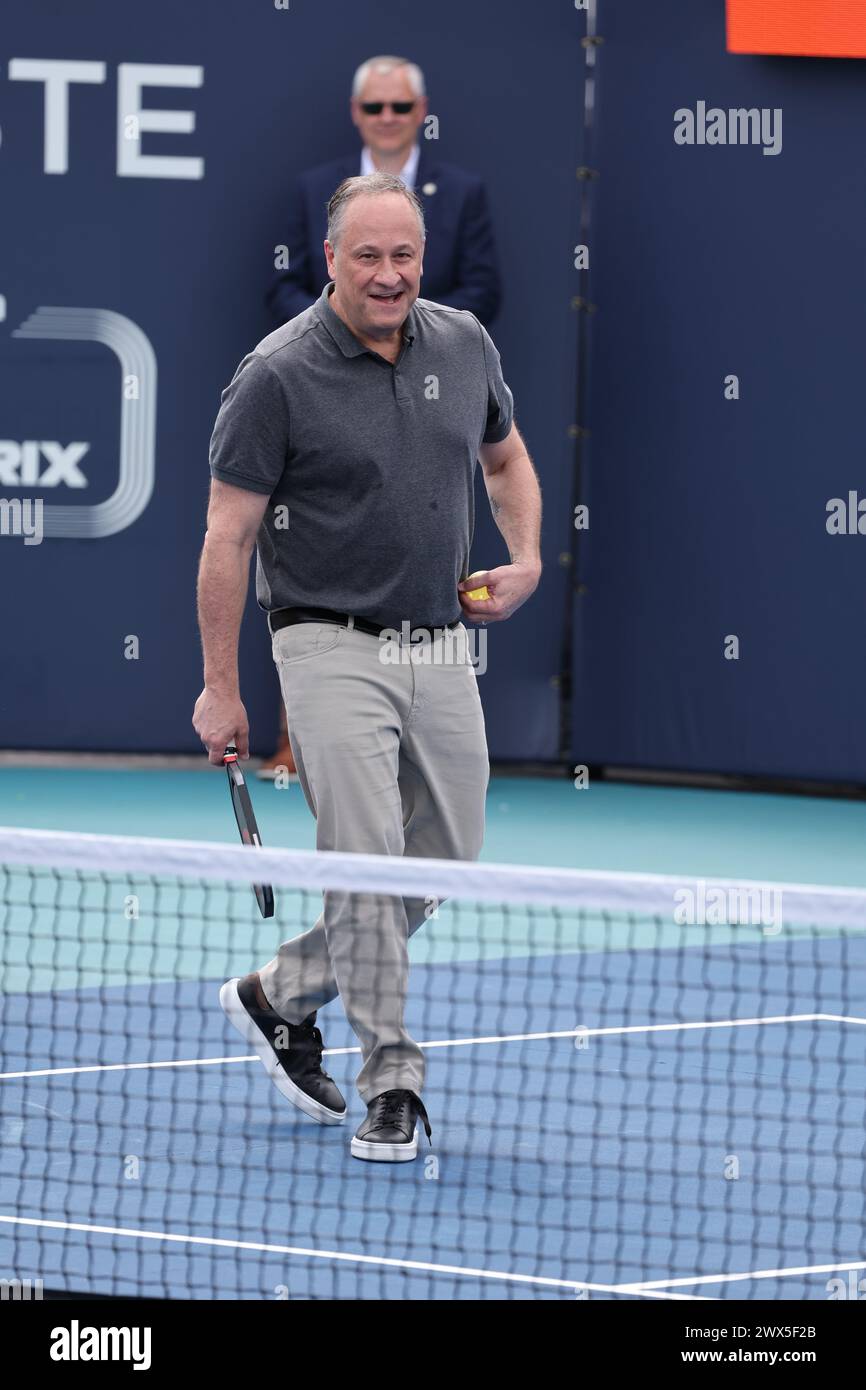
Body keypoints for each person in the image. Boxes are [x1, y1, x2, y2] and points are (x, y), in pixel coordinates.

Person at [194, 172, 541, 1162]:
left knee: (446, 858)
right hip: (323, 643)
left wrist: (520, 562)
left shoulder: (463, 342)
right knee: (364, 856)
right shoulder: (275, 374)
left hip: (441, 643)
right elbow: (227, 538)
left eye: (404, 256)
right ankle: (391, 1078)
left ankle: (281, 991)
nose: (388, 276)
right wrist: (222, 687)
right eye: (367, 257)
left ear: (420, 259)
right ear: (330, 259)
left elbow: (505, 459)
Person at [258, 54, 504, 778]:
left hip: (428, 394)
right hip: (328, 387)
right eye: (376, 109)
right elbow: (283, 284)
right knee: (309, 557)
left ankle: (416, 747)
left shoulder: (462, 192)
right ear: (357, 113)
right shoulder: (315, 191)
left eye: (401, 108)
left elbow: (483, 288)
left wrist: (424, 347)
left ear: (420, 108)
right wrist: (335, 342)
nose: (389, 120)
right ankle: (297, 739)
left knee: (417, 546)